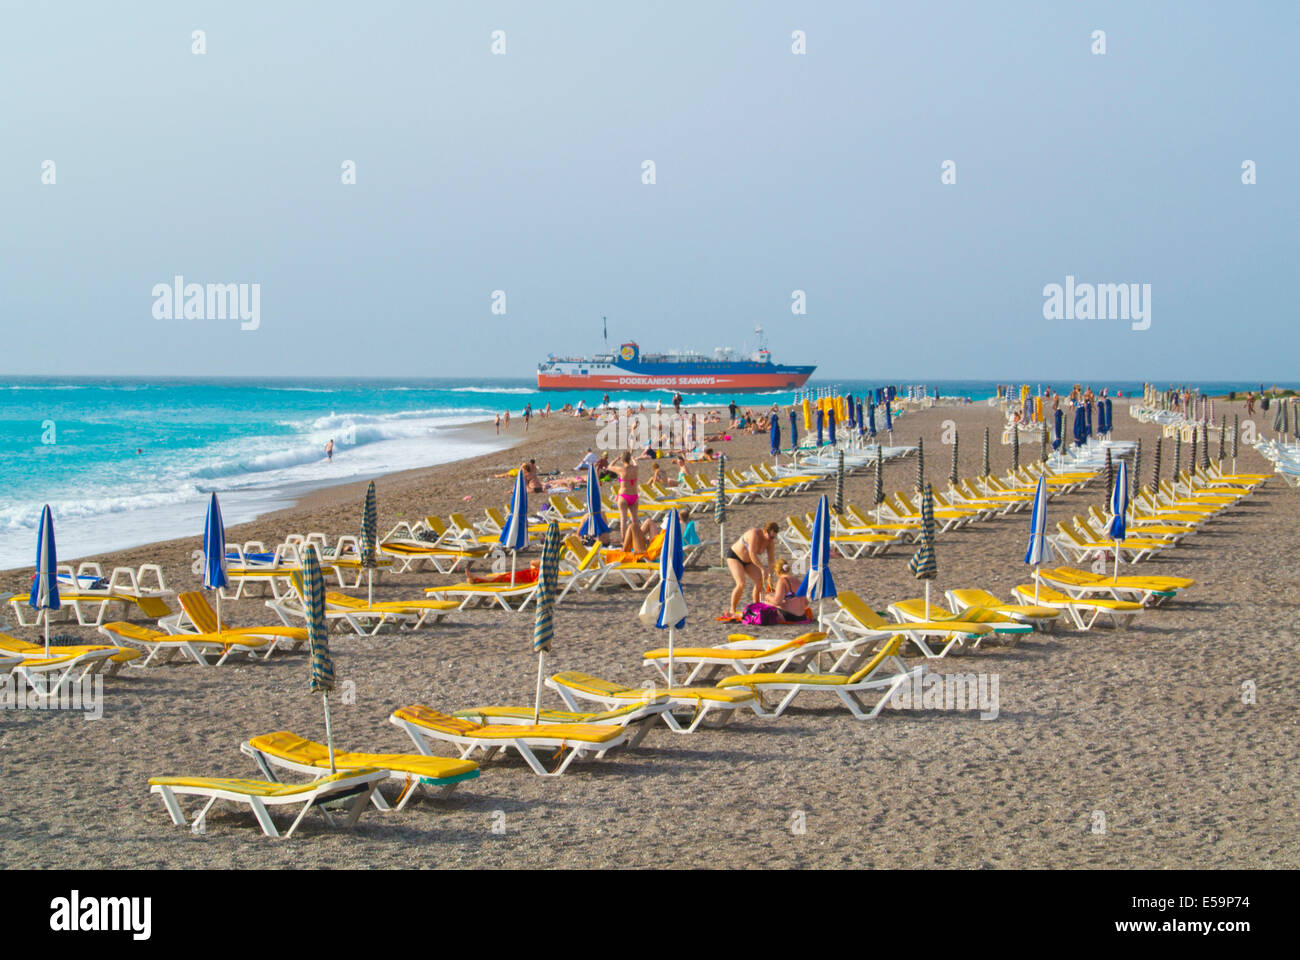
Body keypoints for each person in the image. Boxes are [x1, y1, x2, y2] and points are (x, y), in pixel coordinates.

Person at [724, 522, 779, 616]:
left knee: (759, 581)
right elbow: (752, 554)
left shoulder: (770, 543)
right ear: (765, 531)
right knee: (741, 583)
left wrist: (770, 575)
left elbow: (771, 561)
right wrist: (762, 568)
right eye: (770, 537)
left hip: (748, 562)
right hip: (735, 557)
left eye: (773, 537)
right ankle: (732, 609)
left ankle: (756, 606)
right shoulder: (755, 534)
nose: (771, 539)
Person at [607, 451, 644, 552]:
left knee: (623, 520)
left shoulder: (621, 469)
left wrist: (617, 458)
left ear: (623, 460)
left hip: (624, 496)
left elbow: (609, 466)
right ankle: (637, 540)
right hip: (634, 495)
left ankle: (624, 542)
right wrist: (632, 458)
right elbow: (635, 463)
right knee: (635, 520)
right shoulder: (636, 469)